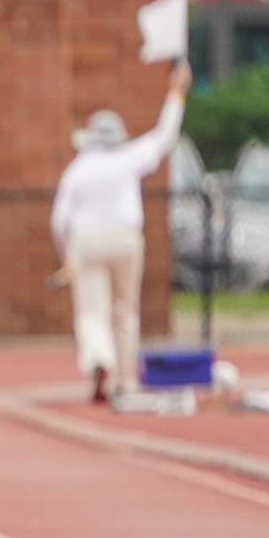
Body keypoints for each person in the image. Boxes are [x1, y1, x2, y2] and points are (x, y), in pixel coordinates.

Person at [50, 61, 192, 403]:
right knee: (125, 309)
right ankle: (125, 379)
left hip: (85, 240)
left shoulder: (77, 169)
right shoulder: (128, 158)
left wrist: (66, 256)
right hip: (126, 238)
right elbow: (164, 137)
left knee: (91, 311)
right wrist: (176, 92)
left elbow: (58, 220)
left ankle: (100, 359)